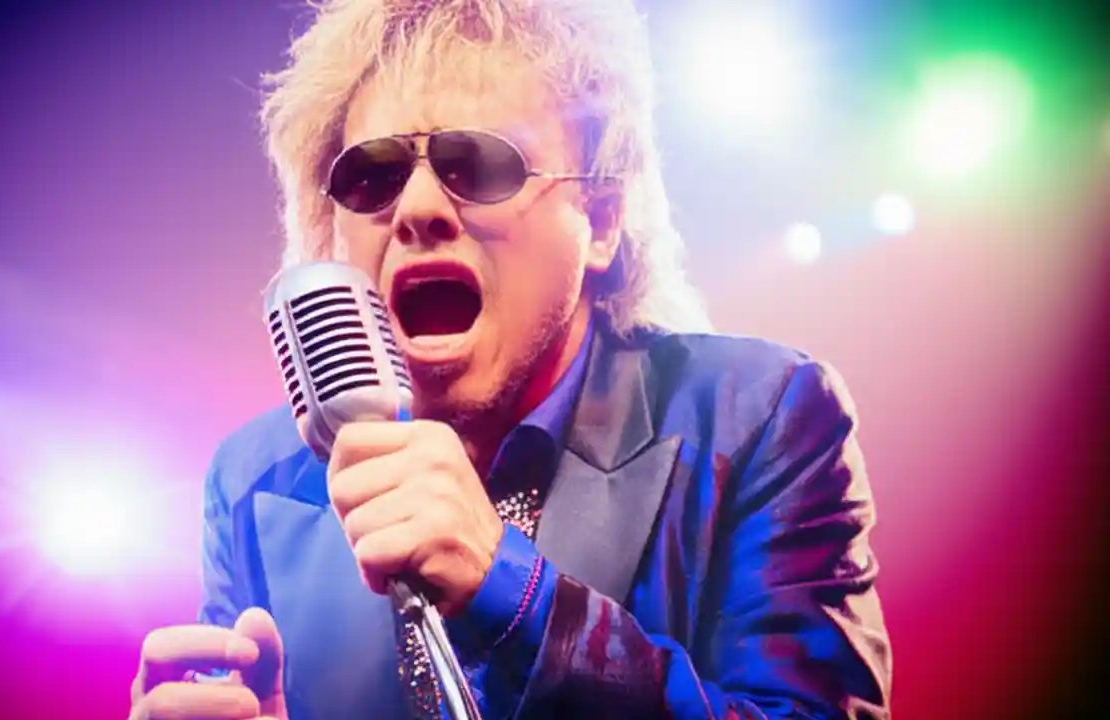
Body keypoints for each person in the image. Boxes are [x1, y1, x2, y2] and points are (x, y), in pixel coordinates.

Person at [129, 1, 891, 718]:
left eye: (480, 164)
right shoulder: (256, 480)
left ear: (598, 220)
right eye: (373, 175)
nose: (419, 208)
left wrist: (514, 597)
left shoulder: (758, 416)